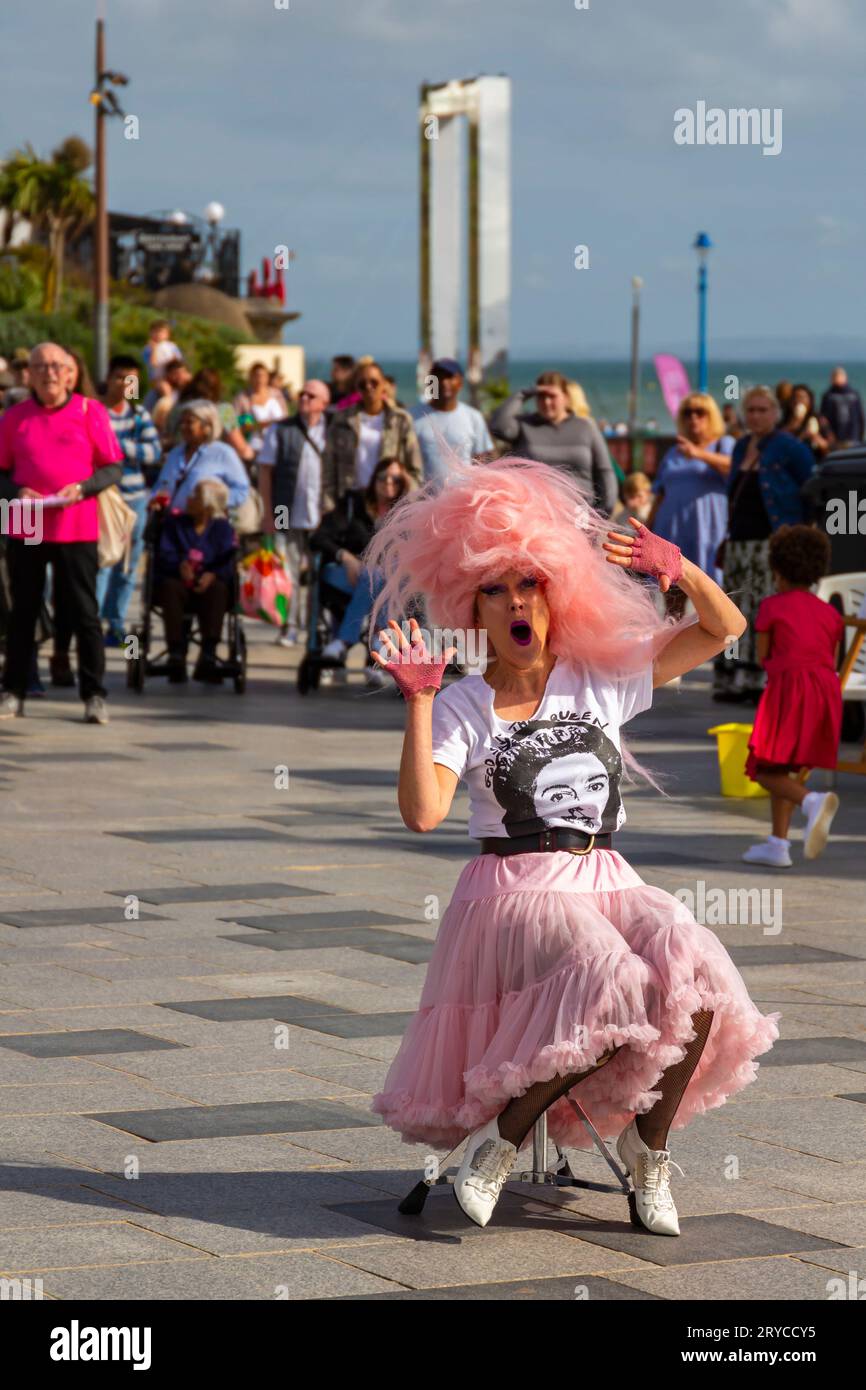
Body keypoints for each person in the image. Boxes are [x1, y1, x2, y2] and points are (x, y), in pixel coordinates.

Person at [363, 457, 779, 1234]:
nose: (516, 602)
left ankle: (650, 1155)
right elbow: (423, 814)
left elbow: (727, 629)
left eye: (529, 584)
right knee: (612, 977)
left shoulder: (601, 679)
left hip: (607, 876)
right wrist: (418, 704)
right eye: (496, 590)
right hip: (513, 891)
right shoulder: (462, 703)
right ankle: (498, 1141)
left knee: (695, 964)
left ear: (556, 595)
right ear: (474, 608)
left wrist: (680, 568)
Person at [0, 342, 123, 724]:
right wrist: (15, 491)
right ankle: (14, 691)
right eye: (41, 367)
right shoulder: (14, 416)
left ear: (69, 372)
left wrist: (83, 488)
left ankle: (94, 694)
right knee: (22, 610)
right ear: (30, 374)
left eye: (57, 366)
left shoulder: (90, 410)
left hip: (76, 520)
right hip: (27, 519)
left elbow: (113, 467)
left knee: (84, 611)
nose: (49, 373)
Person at [742, 526, 843, 868]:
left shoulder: (772, 606)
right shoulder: (830, 613)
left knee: (763, 769)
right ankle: (777, 844)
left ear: (777, 570)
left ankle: (812, 801)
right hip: (825, 693)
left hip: (788, 693)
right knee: (783, 768)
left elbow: (763, 657)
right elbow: (831, 656)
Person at [713, 386, 815, 702]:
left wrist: (799, 531)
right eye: (751, 410)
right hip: (739, 542)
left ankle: (759, 679)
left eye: (763, 410)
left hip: (770, 542)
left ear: (776, 414)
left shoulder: (789, 447)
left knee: (763, 611)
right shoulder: (742, 446)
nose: (756, 416)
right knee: (731, 609)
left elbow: (811, 487)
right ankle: (732, 677)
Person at [312, 456, 414, 685]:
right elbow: (319, 538)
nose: (388, 483)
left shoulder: (406, 513)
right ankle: (378, 648)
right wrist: (346, 557)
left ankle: (344, 642)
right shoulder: (352, 504)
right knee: (378, 577)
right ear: (373, 479)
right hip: (342, 573)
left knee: (381, 575)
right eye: (382, 477)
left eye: (395, 479)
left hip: (381, 580)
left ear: (403, 482)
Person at [257, 379, 331, 645]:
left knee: (318, 573)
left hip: (321, 515)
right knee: (286, 571)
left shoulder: (333, 430)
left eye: (311, 396)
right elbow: (265, 471)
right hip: (284, 509)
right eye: (302, 394)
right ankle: (289, 626)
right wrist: (268, 515)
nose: (304, 399)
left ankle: (316, 626)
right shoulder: (280, 430)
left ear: (324, 403)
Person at [95, 354, 162, 646]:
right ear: (108, 379)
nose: (125, 384)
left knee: (128, 565)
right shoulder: (95, 412)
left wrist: (117, 446)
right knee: (102, 563)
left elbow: (154, 452)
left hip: (135, 499)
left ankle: (117, 623)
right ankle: (93, 623)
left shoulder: (138, 415)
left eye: (131, 379)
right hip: (103, 499)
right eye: (120, 377)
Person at [490, 371, 618, 515]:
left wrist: (602, 513)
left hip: (579, 516)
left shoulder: (586, 427)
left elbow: (604, 471)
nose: (546, 402)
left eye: (552, 396)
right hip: (533, 515)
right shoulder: (524, 426)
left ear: (566, 398)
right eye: (541, 396)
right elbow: (498, 427)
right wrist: (523, 394)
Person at [154, 478, 237, 684]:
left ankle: (209, 653)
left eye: (194, 497)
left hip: (208, 586)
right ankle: (175, 652)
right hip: (179, 582)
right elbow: (164, 554)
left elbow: (228, 559)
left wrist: (214, 574)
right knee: (169, 587)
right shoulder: (174, 524)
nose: (188, 500)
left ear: (207, 505)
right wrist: (179, 565)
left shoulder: (222, 528)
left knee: (219, 589)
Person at [649, 392, 734, 584]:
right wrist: (649, 526)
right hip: (671, 530)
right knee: (672, 595)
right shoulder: (674, 451)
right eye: (688, 413)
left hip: (708, 530)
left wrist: (698, 454)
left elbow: (734, 467)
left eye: (700, 412)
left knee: (710, 591)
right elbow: (660, 492)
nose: (693, 418)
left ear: (712, 416)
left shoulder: (723, 444)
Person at [321, 360, 421, 511]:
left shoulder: (400, 420)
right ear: (357, 388)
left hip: (390, 503)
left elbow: (415, 470)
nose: (368, 387)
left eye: (374, 382)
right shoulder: (342, 420)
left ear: (383, 384)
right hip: (351, 502)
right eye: (362, 384)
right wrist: (328, 506)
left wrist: (409, 504)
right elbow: (328, 466)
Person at [151, 400, 250, 514]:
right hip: (172, 525)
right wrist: (155, 499)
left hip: (207, 525)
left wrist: (211, 502)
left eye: (189, 422)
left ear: (207, 425)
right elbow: (160, 486)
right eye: (182, 422)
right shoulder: (175, 454)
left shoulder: (223, 453)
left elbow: (241, 491)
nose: (183, 426)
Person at [411, 357, 494, 484]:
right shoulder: (413, 416)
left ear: (460, 382)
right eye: (438, 377)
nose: (444, 382)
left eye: (449, 377)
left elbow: (483, 460)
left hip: (464, 499)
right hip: (425, 502)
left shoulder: (473, 417)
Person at [164, 369, 254, 463]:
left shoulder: (177, 408)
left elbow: (167, 436)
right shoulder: (224, 410)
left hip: (176, 463)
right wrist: (253, 456)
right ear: (217, 388)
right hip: (210, 465)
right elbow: (239, 445)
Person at [233, 362, 288, 458]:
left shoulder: (277, 395)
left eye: (263, 376)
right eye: (256, 376)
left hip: (278, 445)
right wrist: (263, 424)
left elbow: (285, 416)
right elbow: (236, 424)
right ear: (251, 377)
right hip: (254, 446)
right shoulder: (243, 398)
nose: (260, 379)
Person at [781, 383, 830, 462]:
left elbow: (828, 448)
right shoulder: (785, 422)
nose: (798, 401)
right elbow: (778, 444)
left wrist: (814, 436)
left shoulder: (819, 420)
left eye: (803, 398)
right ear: (790, 402)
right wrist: (795, 423)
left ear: (810, 401)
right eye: (795, 397)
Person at [819, 367, 864, 448]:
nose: (837, 378)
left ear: (845, 377)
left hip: (853, 437)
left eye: (839, 376)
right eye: (835, 376)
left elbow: (860, 416)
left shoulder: (854, 394)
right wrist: (828, 434)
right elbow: (823, 418)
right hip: (835, 439)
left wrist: (860, 436)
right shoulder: (828, 396)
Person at [142, 318, 182, 387]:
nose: (158, 334)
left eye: (161, 332)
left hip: (173, 375)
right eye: (155, 331)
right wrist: (154, 349)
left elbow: (179, 362)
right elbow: (152, 364)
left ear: (167, 334)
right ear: (150, 333)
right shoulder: (148, 348)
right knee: (165, 388)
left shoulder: (172, 346)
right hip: (157, 378)